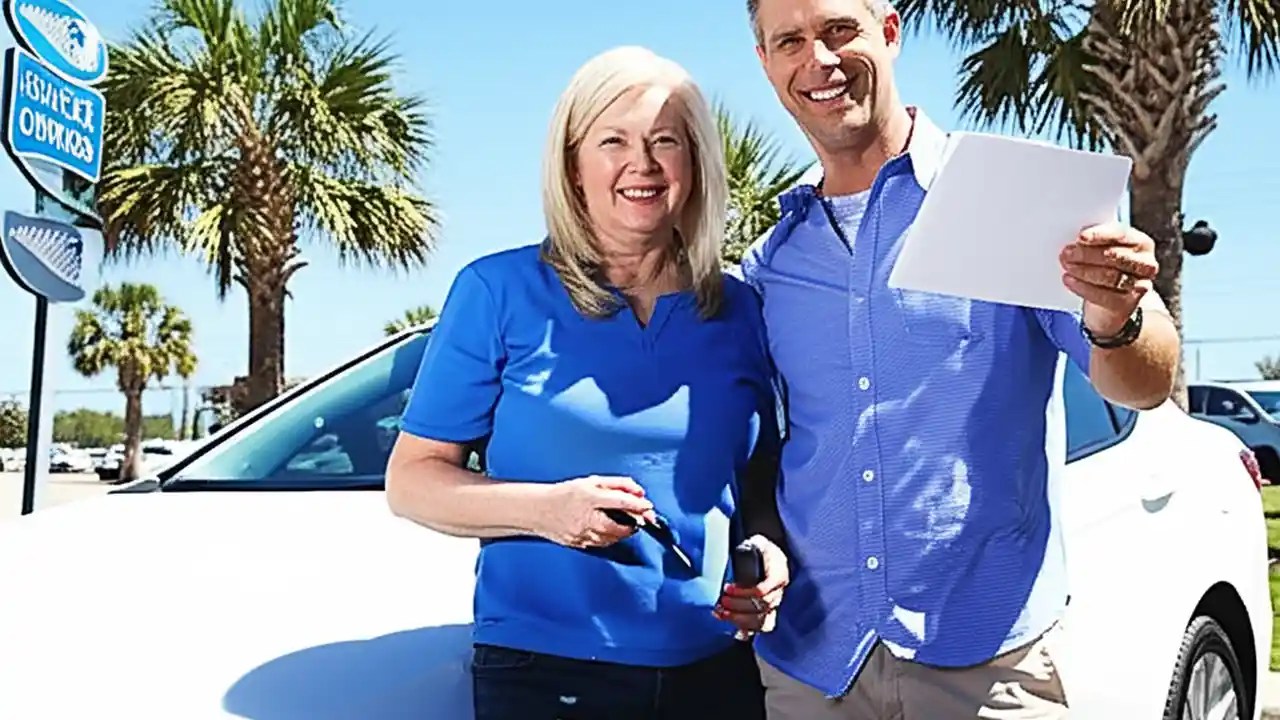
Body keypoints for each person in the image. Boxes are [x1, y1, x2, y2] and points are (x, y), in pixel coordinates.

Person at [738, 0, 1182, 718]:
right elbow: (769, 451)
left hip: (988, 663)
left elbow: (1145, 382)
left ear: (889, 32)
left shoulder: (1012, 199)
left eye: (838, 30)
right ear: (765, 62)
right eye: (789, 41)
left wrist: (1118, 315)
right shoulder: (770, 264)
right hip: (813, 669)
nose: (816, 60)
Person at [384, 45, 789, 720]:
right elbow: (412, 481)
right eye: (614, 141)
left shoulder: (742, 309)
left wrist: (769, 551)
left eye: (667, 141)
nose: (644, 164)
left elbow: (756, 482)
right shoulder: (496, 292)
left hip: (719, 672)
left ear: (695, 164)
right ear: (573, 165)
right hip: (546, 675)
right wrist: (548, 511)